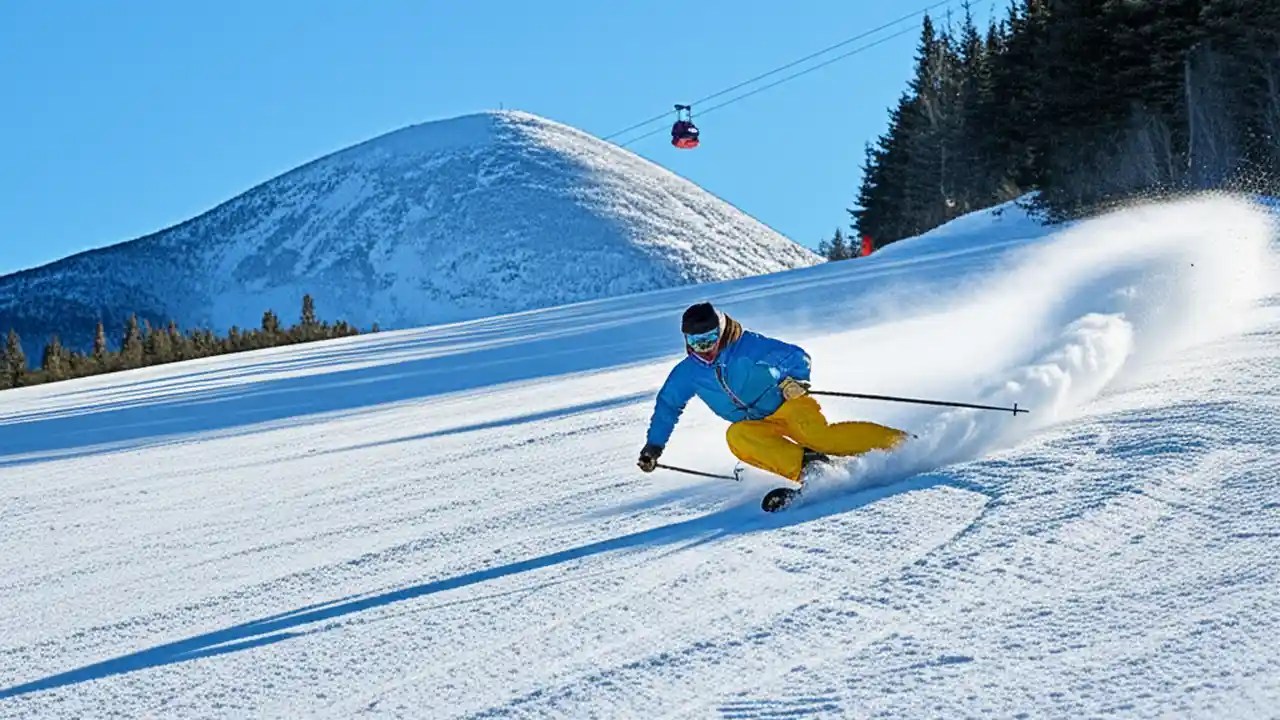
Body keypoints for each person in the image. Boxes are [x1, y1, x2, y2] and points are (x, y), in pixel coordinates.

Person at [637, 302, 909, 484]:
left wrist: (797, 381)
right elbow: (668, 406)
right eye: (696, 342)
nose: (704, 347)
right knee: (737, 436)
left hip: (787, 405)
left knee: (820, 437)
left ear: (721, 332)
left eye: (709, 339)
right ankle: (813, 469)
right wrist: (654, 447)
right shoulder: (688, 372)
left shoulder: (746, 346)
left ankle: (900, 443)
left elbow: (795, 356)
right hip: (754, 423)